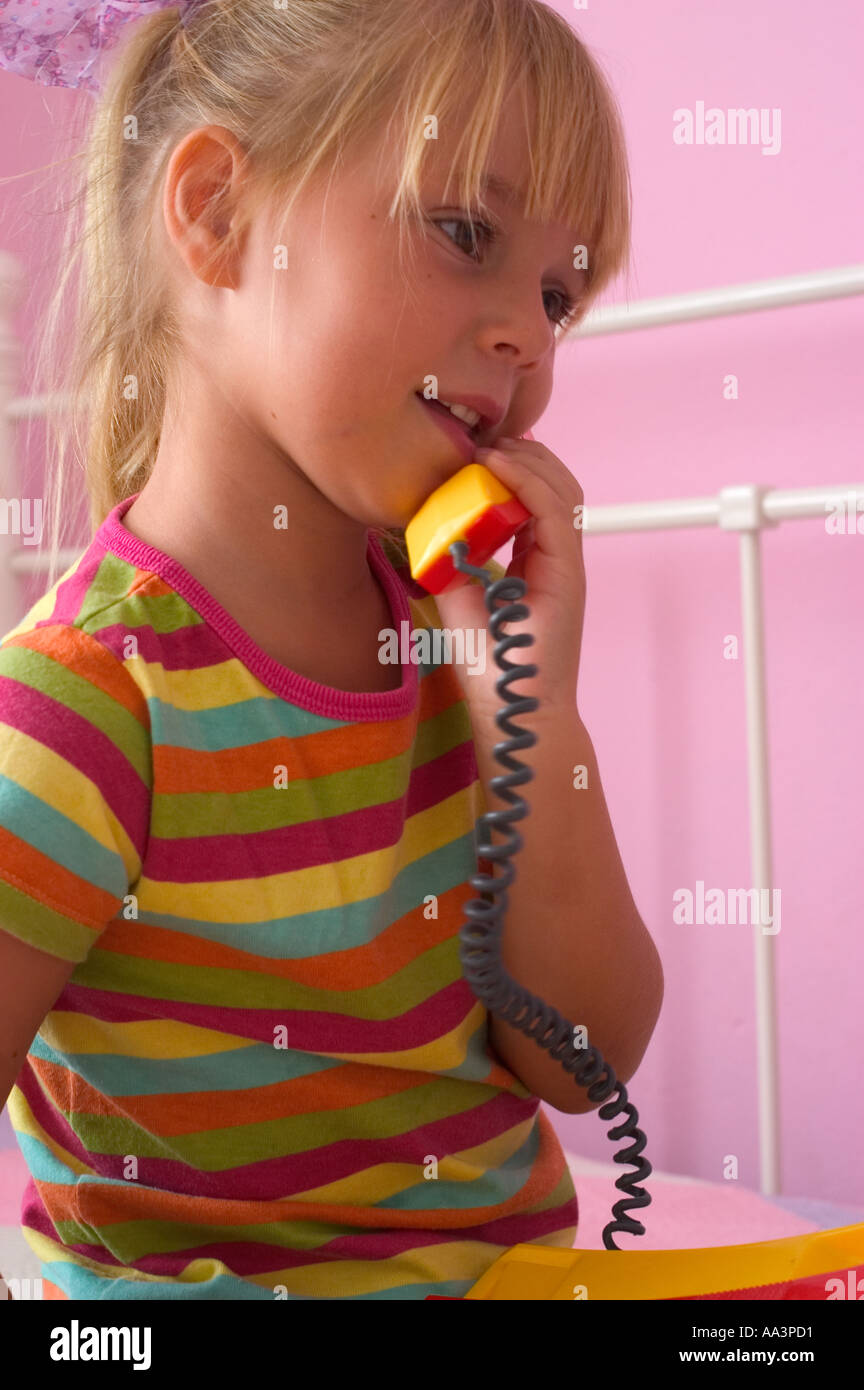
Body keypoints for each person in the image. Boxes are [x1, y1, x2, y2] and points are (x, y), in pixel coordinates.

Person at [0, 0, 661, 1300]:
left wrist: (534, 708)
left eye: (559, 292)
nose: (529, 334)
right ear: (218, 218)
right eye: (465, 232)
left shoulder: (456, 649)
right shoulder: (86, 701)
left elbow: (589, 1056)